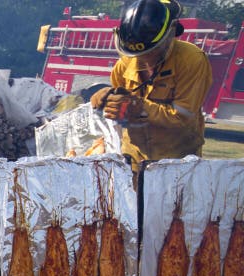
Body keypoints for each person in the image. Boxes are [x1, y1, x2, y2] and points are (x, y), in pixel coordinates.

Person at [90, 0, 213, 175]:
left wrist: (140, 107)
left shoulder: (192, 61)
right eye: (139, 55)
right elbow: (122, 118)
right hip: (132, 161)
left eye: (151, 52)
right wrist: (110, 105)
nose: (144, 60)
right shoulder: (124, 65)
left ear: (170, 35)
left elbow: (183, 117)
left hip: (176, 165)